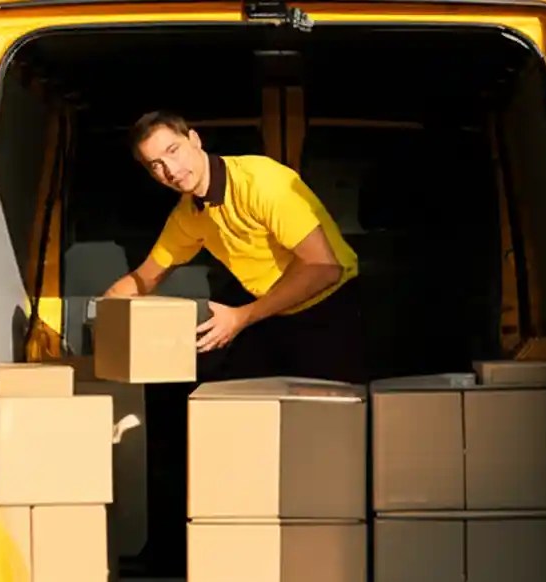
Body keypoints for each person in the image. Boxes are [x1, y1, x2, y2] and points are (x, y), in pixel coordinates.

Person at [104, 110, 365, 385]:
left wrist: (241, 317)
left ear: (194, 139)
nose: (171, 169)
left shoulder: (261, 182)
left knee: (327, 420)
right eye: (155, 164)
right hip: (269, 314)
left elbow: (325, 269)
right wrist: (103, 315)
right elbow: (143, 278)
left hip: (328, 311)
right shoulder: (188, 216)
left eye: (173, 150)